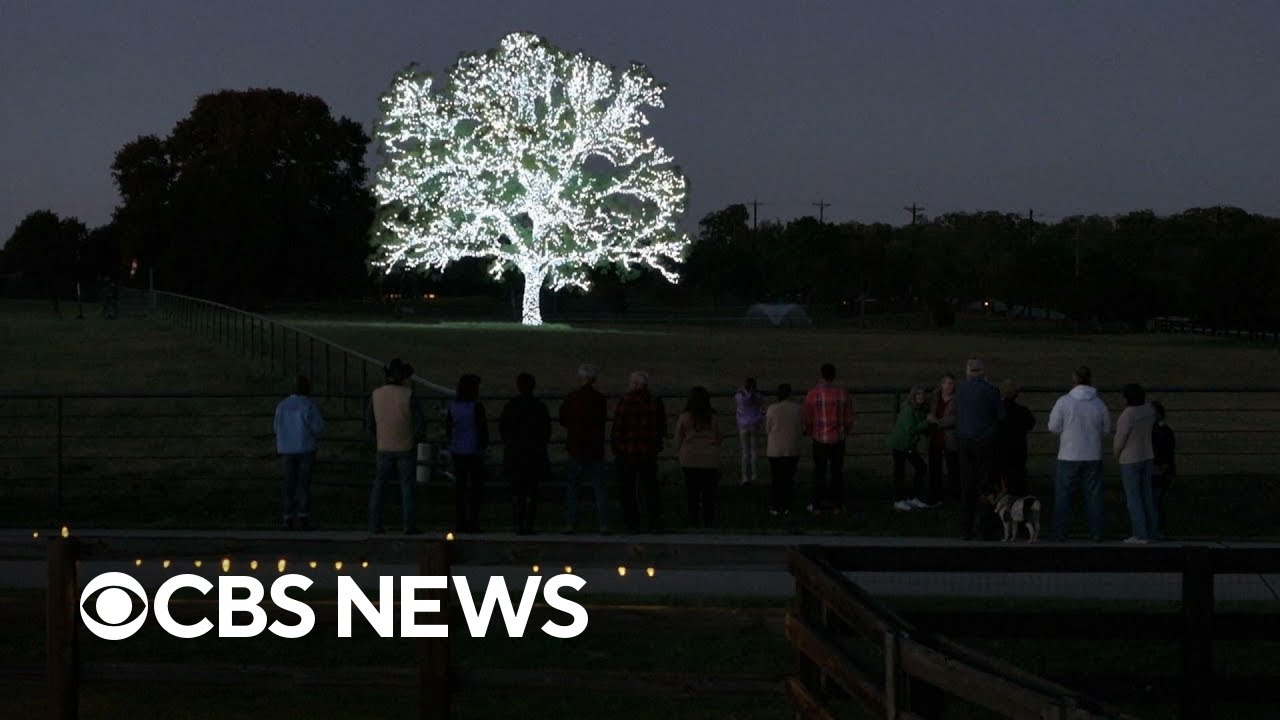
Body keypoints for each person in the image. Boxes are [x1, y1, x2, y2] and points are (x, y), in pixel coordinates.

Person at [1047, 366, 1112, 541]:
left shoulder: (1064, 401)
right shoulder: (1099, 403)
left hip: (1068, 455)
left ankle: (1061, 532)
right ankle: (1097, 532)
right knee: (1094, 496)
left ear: (1074, 380)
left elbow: (1053, 427)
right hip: (1092, 454)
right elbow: (1106, 429)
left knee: (1063, 495)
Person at [365, 359, 427, 535]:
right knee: (407, 488)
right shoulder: (408, 394)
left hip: (383, 446)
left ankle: (375, 524)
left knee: (379, 486)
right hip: (405, 446)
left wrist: (377, 438)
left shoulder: (376, 394)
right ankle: (409, 525)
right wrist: (415, 438)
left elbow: (369, 422)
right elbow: (420, 422)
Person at [611, 371, 667, 532]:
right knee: (650, 487)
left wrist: (617, 447)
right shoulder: (655, 401)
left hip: (627, 451)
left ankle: (632, 522)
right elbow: (661, 425)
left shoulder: (626, 401)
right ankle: (654, 521)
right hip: (648, 451)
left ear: (634, 384)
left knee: (627, 488)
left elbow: (618, 427)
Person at [953, 358, 1003, 539]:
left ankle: (965, 528)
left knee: (967, 485)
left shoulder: (961, 390)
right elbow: (1000, 416)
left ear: (967, 372)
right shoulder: (991, 391)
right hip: (986, 442)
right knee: (986, 485)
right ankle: (986, 527)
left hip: (965, 441)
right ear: (983, 372)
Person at [559, 363, 609, 534]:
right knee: (599, 488)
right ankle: (603, 523)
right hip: (595, 447)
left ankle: (570, 523)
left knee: (573, 487)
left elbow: (563, 419)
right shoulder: (600, 399)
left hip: (576, 447)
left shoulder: (572, 398)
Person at [500, 372, 551, 535]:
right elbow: (546, 431)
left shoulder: (510, 406)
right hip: (534, 453)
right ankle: (529, 524)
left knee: (517, 490)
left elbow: (503, 429)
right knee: (532, 490)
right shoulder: (539, 406)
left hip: (515, 453)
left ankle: (517, 523)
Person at [273, 374, 325, 530]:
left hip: (287, 449)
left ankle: (287, 517)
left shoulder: (282, 405)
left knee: (288, 485)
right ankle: (303, 517)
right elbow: (318, 428)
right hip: (305, 448)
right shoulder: (308, 405)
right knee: (303, 485)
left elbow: (276, 427)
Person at [803, 363, 854, 515]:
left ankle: (817, 505)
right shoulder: (842, 393)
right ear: (834, 375)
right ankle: (837, 505)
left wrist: (811, 432)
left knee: (819, 472)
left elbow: (808, 418)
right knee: (837, 473)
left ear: (821, 375)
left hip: (819, 439)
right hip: (838, 439)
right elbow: (849, 418)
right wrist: (845, 431)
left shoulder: (813, 394)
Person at [1114, 383, 1158, 543]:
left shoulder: (1128, 414)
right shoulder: (1149, 410)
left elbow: (1120, 438)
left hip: (1130, 458)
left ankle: (1139, 534)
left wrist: (1117, 454)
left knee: (1133, 498)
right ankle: (1152, 532)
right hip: (1147, 455)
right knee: (1146, 495)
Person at [446, 373, 489, 533]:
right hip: (474, 450)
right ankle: (473, 521)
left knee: (460, 488)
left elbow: (449, 428)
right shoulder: (476, 406)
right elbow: (482, 428)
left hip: (458, 450)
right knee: (476, 489)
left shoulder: (454, 406)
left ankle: (460, 521)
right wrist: (484, 445)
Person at [675, 386, 722, 527]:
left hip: (689, 458)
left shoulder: (684, 417)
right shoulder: (713, 418)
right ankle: (709, 520)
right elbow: (719, 438)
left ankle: (692, 520)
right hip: (709, 459)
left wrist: (681, 451)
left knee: (692, 493)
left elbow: (678, 438)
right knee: (708, 494)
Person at [886, 385, 932, 511]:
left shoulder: (920, 409)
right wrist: (927, 422)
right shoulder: (908, 409)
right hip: (900, 444)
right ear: (913, 396)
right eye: (918, 394)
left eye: (922, 394)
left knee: (918, 468)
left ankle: (910, 497)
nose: (921, 396)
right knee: (903, 471)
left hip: (908, 445)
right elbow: (910, 429)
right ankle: (900, 499)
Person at [765, 383, 804, 516]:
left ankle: (775, 505)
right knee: (788, 479)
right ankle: (786, 505)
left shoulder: (771, 409)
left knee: (776, 479)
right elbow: (801, 428)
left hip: (775, 449)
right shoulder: (798, 409)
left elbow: (767, 429)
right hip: (792, 449)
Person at [995, 380, 1036, 497]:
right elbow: (1031, 424)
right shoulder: (1023, 411)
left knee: (1003, 478)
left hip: (1001, 449)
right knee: (1018, 478)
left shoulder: (996, 411)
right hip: (1019, 449)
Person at [926, 373, 960, 504]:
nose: (950, 386)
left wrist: (938, 422)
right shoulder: (934, 397)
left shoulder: (958, 400)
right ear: (942, 384)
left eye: (952, 384)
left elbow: (956, 418)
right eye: (947, 383)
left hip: (950, 439)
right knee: (934, 467)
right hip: (935, 437)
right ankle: (936, 494)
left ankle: (954, 495)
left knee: (953, 468)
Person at [1151, 401, 1176, 537]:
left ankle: (1157, 529)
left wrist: (1163, 467)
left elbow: (1166, 452)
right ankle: (1158, 528)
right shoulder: (1162, 430)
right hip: (1160, 469)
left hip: (1160, 470)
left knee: (1155, 499)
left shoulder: (1161, 431)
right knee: (1156, 500)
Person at [733, 378, 765, 485]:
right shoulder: (758, 396)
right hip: (754, 425)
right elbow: (761, 404)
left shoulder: (739, 396)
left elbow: (738, 403)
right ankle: (755, 475)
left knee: (745, 452)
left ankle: (745, 477)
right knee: (754, 451)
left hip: (743, 425)